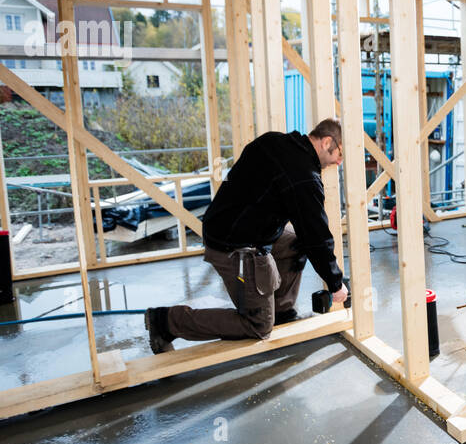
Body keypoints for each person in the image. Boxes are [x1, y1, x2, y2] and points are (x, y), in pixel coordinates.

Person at [144, 118, 350, 353]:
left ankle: (282, 311)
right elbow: (316, 236)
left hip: (227, 225)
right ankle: (165, 321)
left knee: (296, 240)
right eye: (340, 154)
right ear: (326, 142)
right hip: (235, 245)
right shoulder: (304, 175)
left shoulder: (273, 141)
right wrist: (336, 285)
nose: (339, 162)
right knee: (258, 326)